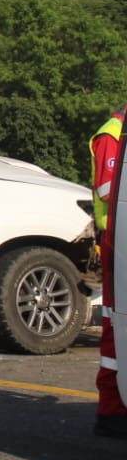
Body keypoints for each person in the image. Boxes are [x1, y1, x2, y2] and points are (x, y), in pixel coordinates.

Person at [89, 107, 127, 438]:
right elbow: (108, 190)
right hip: (117, 239)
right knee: (115, 323)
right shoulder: (113, 134)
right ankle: (111, 410)